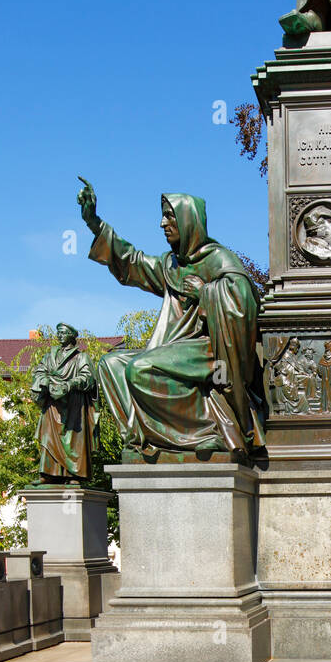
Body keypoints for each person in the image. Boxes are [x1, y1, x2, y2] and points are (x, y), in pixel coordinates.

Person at [77, 179, 264, 461]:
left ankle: (205, 433)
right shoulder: (170, 264)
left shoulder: (218, 260)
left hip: (208, 349)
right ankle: (143, 441)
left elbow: (244, 305)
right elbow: (132, 261)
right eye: (163, 215)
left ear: (188, 220)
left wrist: (206, 293)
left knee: (139, 369)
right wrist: (95, 223)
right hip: (175, 349)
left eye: (169, 216)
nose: (162, 223)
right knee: (110, 365)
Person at [30, 322, 99, 482]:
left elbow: (88, 378)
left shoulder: (81, 357)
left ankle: (75, 474)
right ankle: (48, 474)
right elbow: (39, 372)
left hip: (74, 404)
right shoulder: (49, 356)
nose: (59, 335)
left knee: (74, 440)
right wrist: (44, 381)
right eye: (58, 332)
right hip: (53, 405)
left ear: (72, 336)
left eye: (63, 332)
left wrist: (69, 384)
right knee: (49, 437)